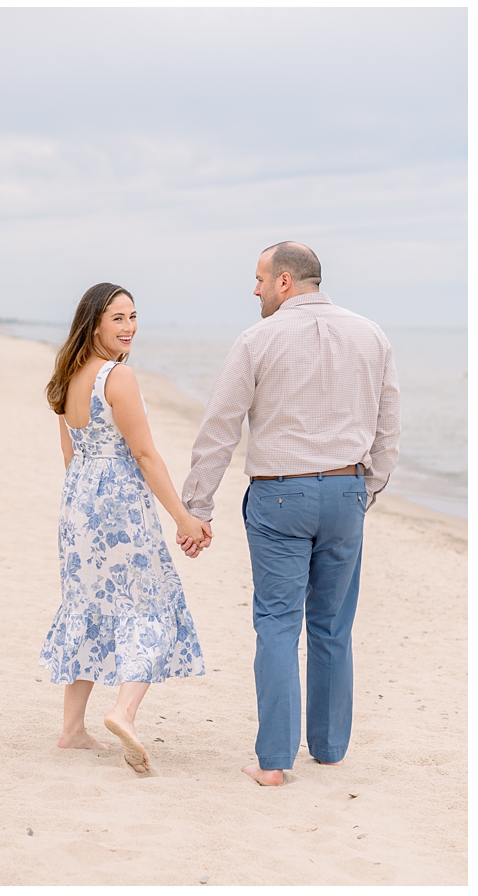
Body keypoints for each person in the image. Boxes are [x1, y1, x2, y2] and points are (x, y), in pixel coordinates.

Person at [178, 241, 400, 787]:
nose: (253, 289)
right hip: (346, 492)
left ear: (284, 282)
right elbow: (388, 426)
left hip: (280, 496)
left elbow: (220, 428)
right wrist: (365, 490)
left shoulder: (257, 340)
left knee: (278, 625)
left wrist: (197, 506)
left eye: (258, 279)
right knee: (332, 626)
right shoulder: (372, 334)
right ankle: (327, 751)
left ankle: (275, 763)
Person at [39, 283, 210, 773]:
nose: (129, 326)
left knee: (88, 605)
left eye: (133, 316)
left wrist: (84, 502)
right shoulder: (118, 377)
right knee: (150, 603)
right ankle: (123, 711)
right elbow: (144, 453)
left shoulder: (68, 378)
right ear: (94, 323)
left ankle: (72, 731)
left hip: (78, 508)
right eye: (118, 318)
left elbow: (70, 458)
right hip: (120, 505)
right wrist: (184, 518)